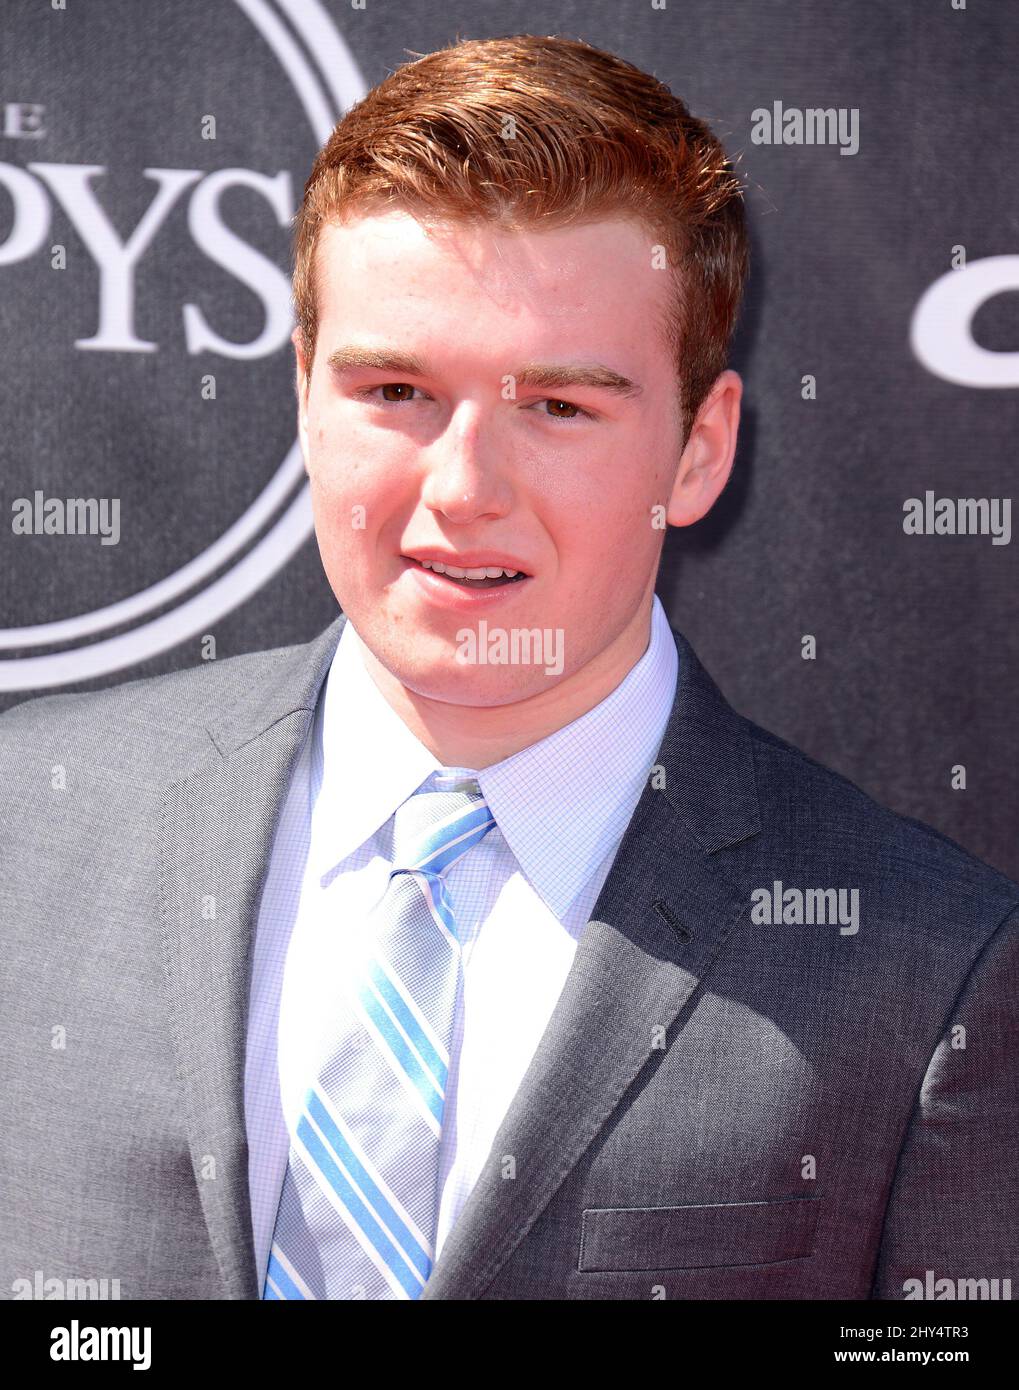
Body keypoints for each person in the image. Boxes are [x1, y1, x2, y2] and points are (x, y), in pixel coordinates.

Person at [2, 34, 1016, 1303]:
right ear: (301, 399)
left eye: (558, 407)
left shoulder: (926, 967)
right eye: (394, 390)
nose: (462, 491)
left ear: (698, 452)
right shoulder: (24, 828)